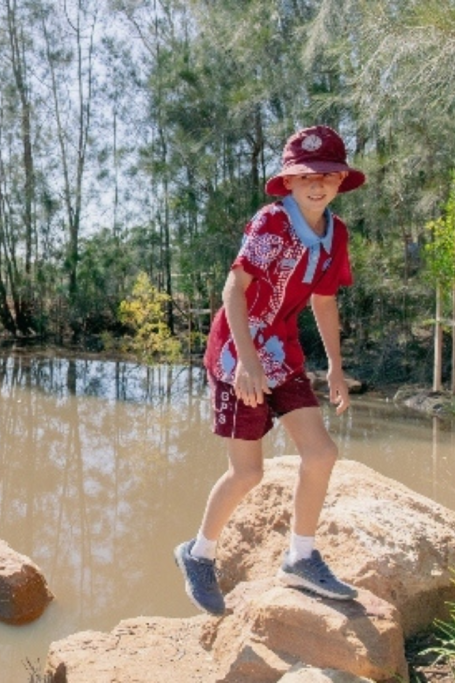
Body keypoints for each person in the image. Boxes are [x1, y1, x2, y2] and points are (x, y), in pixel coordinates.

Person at [174, 125, 365, 615]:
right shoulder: (271, 222)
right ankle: (198, 554)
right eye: (305, 175)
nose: (316, 184)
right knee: (248, 472)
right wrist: (247, 359)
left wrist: (335, 367)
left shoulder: (337, 234)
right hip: (236, 352)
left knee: (322, 453)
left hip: (282, 352)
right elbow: (233, 291)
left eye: (327, 175)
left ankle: (300, 557)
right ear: (289, 181)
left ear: (341, 180)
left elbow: (324, 301)